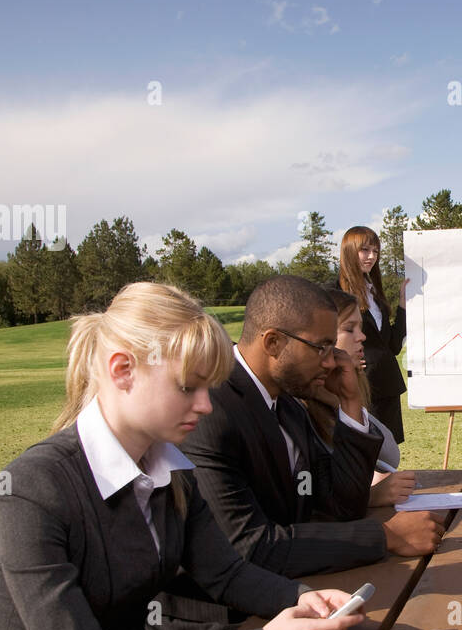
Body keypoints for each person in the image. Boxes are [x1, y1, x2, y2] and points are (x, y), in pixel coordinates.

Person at [0, 282, 363, 630]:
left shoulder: (173, 473)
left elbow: (228, 573)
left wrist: (307, 600)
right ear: (122, 370)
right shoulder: (32, 490)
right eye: (188, 386)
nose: (206, 404)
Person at [179, 276, 440, 584]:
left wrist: (350, 401)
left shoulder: (287, 403)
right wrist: (383, 536)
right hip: (229, 619)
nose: (332, 362)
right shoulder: (212, 409)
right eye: (322, 347)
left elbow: (340, 505)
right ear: (273, 342)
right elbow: (246, 546)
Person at [305, 288, 418, 507]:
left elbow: (389, 452)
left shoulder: (340, 392)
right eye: (350, 329)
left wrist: (345, 401)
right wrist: (370, 495)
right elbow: (311, 499)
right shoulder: (298, 409)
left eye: (361, 327)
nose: (362, 337)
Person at [338, 226, 408, 443]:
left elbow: (393, 346)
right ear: (349, 251)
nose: (371, 257)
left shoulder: (374, 291)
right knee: (364, 451)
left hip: (387, 386)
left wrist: (402, 306)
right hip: (358, 386)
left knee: (388, 453)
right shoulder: (335, 293)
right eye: (365, 250)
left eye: (376, 251)